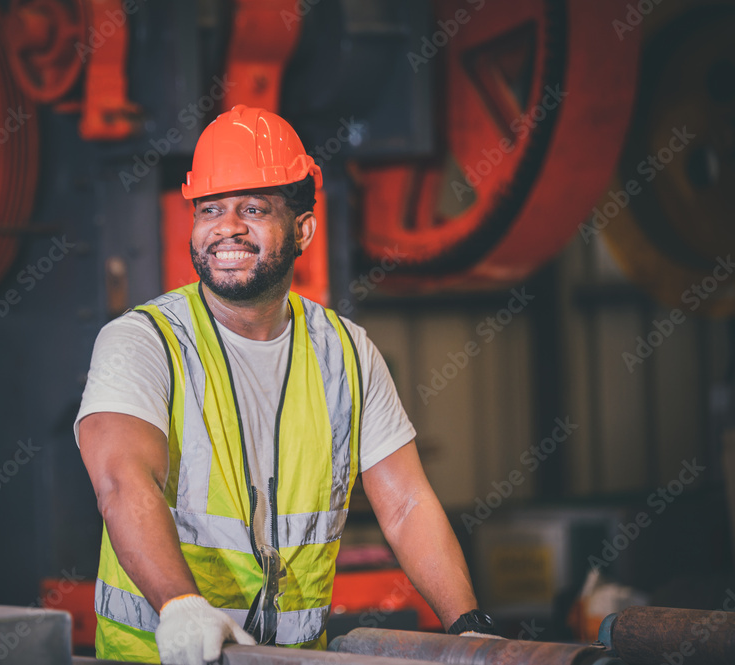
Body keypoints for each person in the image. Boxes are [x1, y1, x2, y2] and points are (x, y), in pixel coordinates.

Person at [76, 105, 495, 665]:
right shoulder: (144, 341)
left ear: (303, 230)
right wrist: (181, 604)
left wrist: (469, 628)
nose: (226, 227)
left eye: (252, 208)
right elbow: (123, 482)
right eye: (210, 209)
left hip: (289, 658)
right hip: (162, 655)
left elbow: (407, 506)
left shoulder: (347, 353)